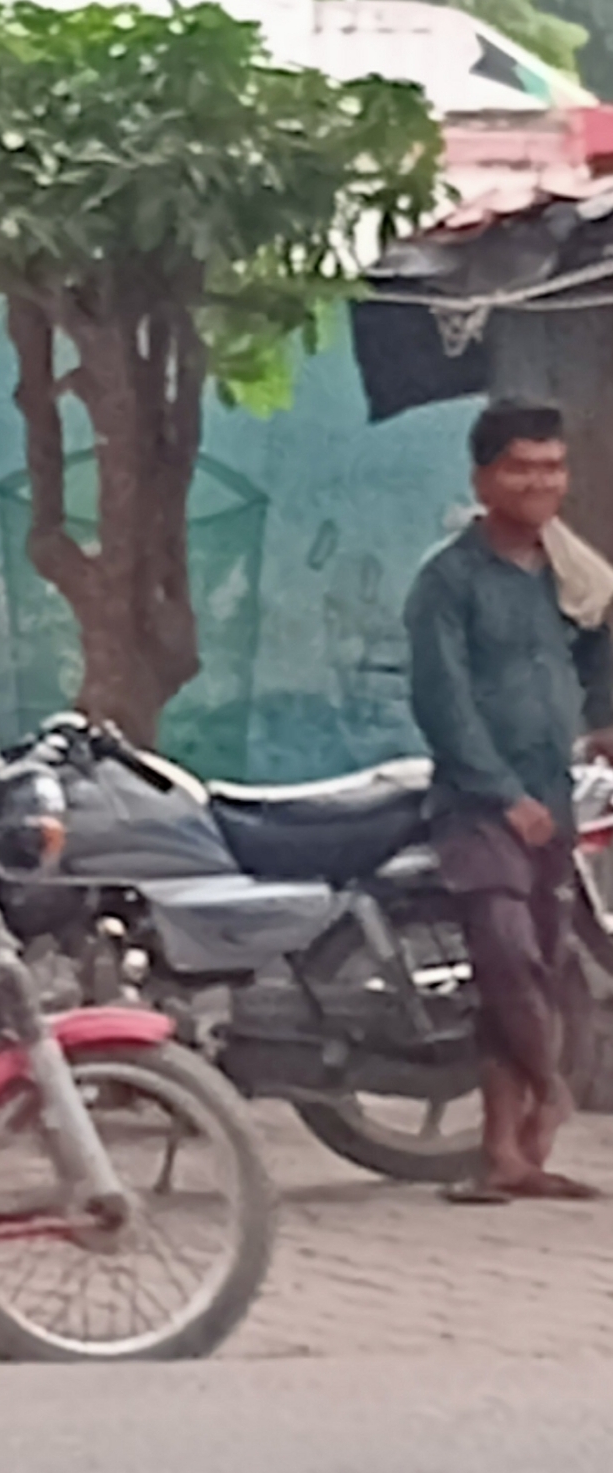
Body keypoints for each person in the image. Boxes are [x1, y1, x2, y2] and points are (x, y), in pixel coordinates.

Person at [407, 400, 613, 1204]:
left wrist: (600, 721)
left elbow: (602, 636)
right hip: (475, 805)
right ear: (484, 478)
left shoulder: (567, 572)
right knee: (506, 954)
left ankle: (507, 1156)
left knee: (544, 959)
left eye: (552, 467)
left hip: (553, 796)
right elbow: (443, 703)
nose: (541, 482)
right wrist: (503, 793)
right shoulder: (447, 580)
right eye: (522, 468)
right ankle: (550, 1086)